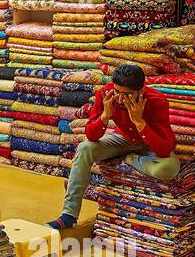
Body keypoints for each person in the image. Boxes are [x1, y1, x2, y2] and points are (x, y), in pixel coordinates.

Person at [49, 63, 180, 230]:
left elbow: (164, 149)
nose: (120, 98)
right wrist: (105, 116)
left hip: (149, 143)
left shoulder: (157, 101)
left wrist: (139, 122)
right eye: (117, 91)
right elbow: (91, 135)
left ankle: (131, 159)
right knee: (84, 148)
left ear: (141, 90)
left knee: (169, 168)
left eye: (127, 94)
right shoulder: (106, 93)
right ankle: (68, 215)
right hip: (122, 140)